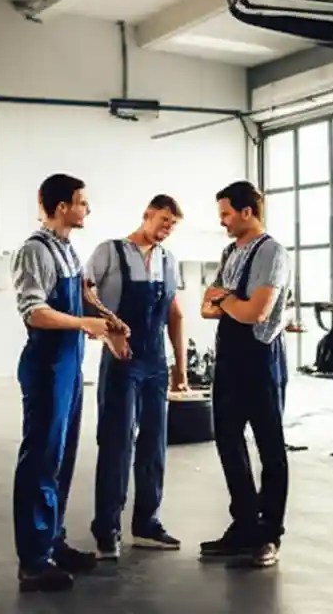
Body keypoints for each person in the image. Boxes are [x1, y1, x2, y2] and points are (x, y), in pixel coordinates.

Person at [10, 173, 125, 593]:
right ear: (62, 207)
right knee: (41, 458)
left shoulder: (67, 250)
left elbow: (82, 290)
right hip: (46, 367)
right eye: (82, 202)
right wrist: (84, 323)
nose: (87, 209)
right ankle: (33, 561)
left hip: (69, 368)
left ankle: (52, 541)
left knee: (62, 457)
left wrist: (107, 318)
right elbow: (33, 311)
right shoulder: (33, 252)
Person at [85, 195, 190, 560]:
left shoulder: (168, 261)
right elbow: (82, 291)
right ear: (146, 215)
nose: (167, 228)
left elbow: (175, 314)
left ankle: (147, 524)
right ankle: (107, 529)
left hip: (156, 362)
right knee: (116, 443)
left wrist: (180, 367)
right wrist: (106, 326)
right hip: (122, 360)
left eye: (173, 224)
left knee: (154, 445)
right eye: (163, 220)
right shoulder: (110, 252)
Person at [199, 180, 292, 568]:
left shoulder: (271, 252)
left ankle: (267, 534)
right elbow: (206, 306)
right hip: (229, 357)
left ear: (247, 212)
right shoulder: (229, 251)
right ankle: (244, 526)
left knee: (269, 445)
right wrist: (227, 301)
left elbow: (255, 313)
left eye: (225, 214)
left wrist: (224, 299)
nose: (221, 222)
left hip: (259, 356)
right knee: (227, 439)